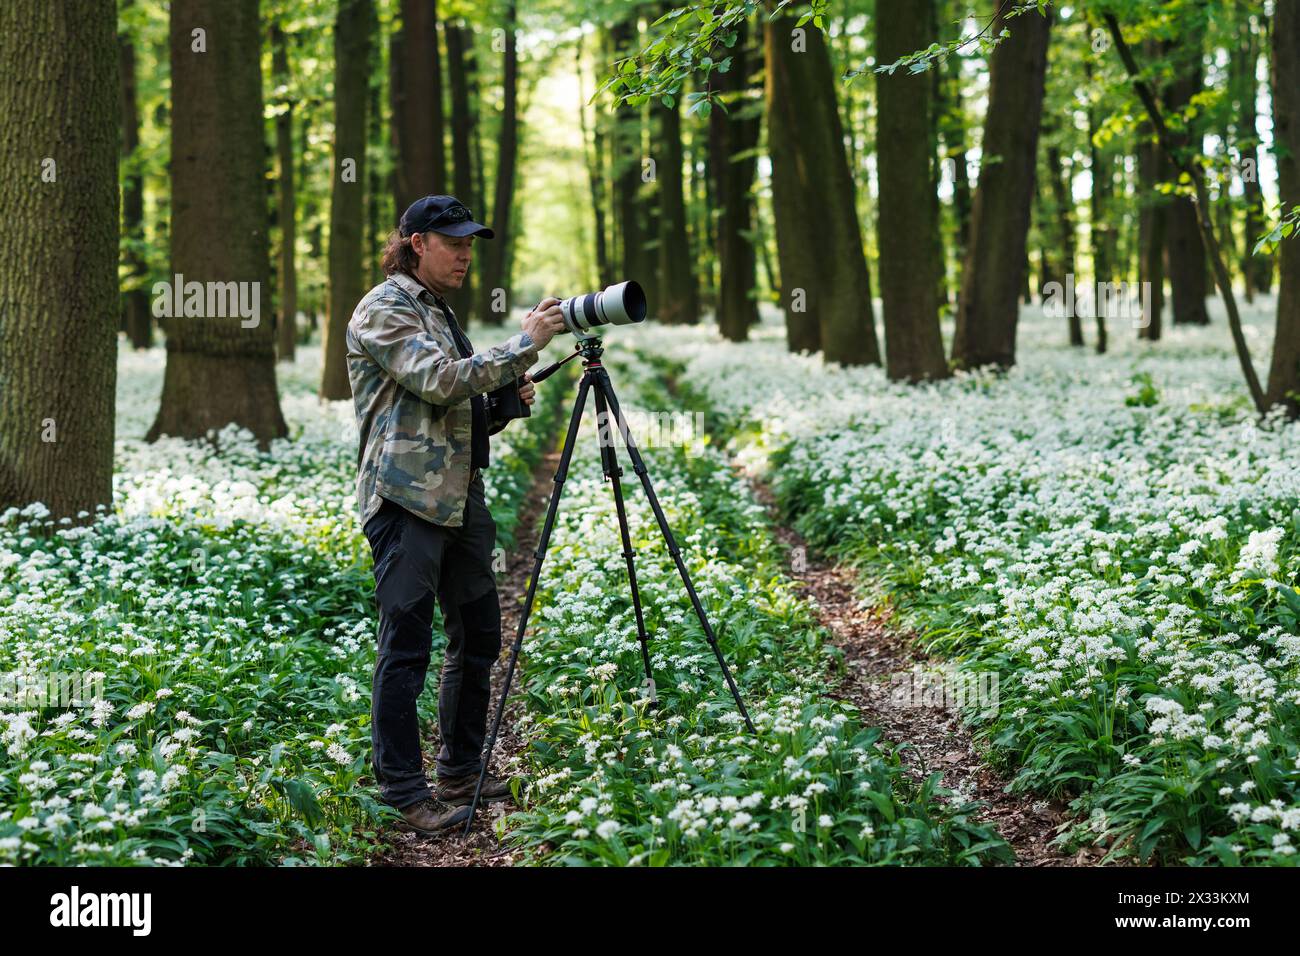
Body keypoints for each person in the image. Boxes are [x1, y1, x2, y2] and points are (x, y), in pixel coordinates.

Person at [345, 194, 566, 833]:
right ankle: (402, 791)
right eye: (455, 242)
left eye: (472, 243)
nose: (467, 254)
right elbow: (439, 381)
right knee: (407, 643)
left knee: (478, 636)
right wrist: (523, 346)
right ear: (418, 243)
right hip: (406, 501)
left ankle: (462, 767)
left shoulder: (440, 311)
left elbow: (454, 403)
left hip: (459, 496)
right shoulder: (383, 307)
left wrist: (503, 399)